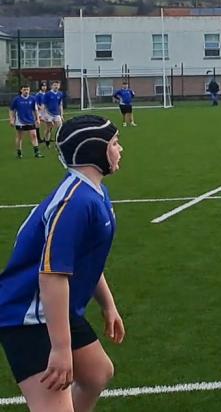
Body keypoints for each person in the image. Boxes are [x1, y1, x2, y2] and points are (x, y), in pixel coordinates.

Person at [0, 115, 126, 411]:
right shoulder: (75, 203)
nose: (120, 149)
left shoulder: (94, 193)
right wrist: (60, 348)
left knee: (96, 373)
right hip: (28, 317)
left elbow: (85, 258)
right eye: (114, 143)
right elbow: (51, 276)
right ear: (94, 151)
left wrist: (108, 305)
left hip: (53, 309)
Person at [10, 85, 43, 159]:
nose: (26, 91)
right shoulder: (16, 99)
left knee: (34, 135)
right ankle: (19, 153)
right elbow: (12, 110)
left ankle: (37, 153)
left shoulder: (33, 99)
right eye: (24, 90)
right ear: (21, 90)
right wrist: (12, 119)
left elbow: (35, 110)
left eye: (27, 90)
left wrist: (37, 119)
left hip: (30, 120)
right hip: (20, 121)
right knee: (20, 137)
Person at [40, 81, 67, 147]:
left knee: (60, 128)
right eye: (55, 85)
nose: (56, 86)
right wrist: (43, 115)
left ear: (59, 86)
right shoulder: (47, 94)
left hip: (57, 114)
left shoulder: (60, 94)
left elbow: (60, 104)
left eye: (57, 85)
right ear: (52, 86)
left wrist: (61, 115)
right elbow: (43, 105)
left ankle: (59, 142)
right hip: (48, 113)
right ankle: (47, 141)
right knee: (48, 129)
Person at [34, 82, 49, 147]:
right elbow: (36, 103)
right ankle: (38, 138)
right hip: (39, 111)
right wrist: (40, 108)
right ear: (41, 87)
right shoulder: (38, 94)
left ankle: (46, 137)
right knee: (38, 124)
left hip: (45, 111)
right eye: (43, 86)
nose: (44, 87)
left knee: (48, 124)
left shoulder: (46, 94)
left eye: (45, 86)